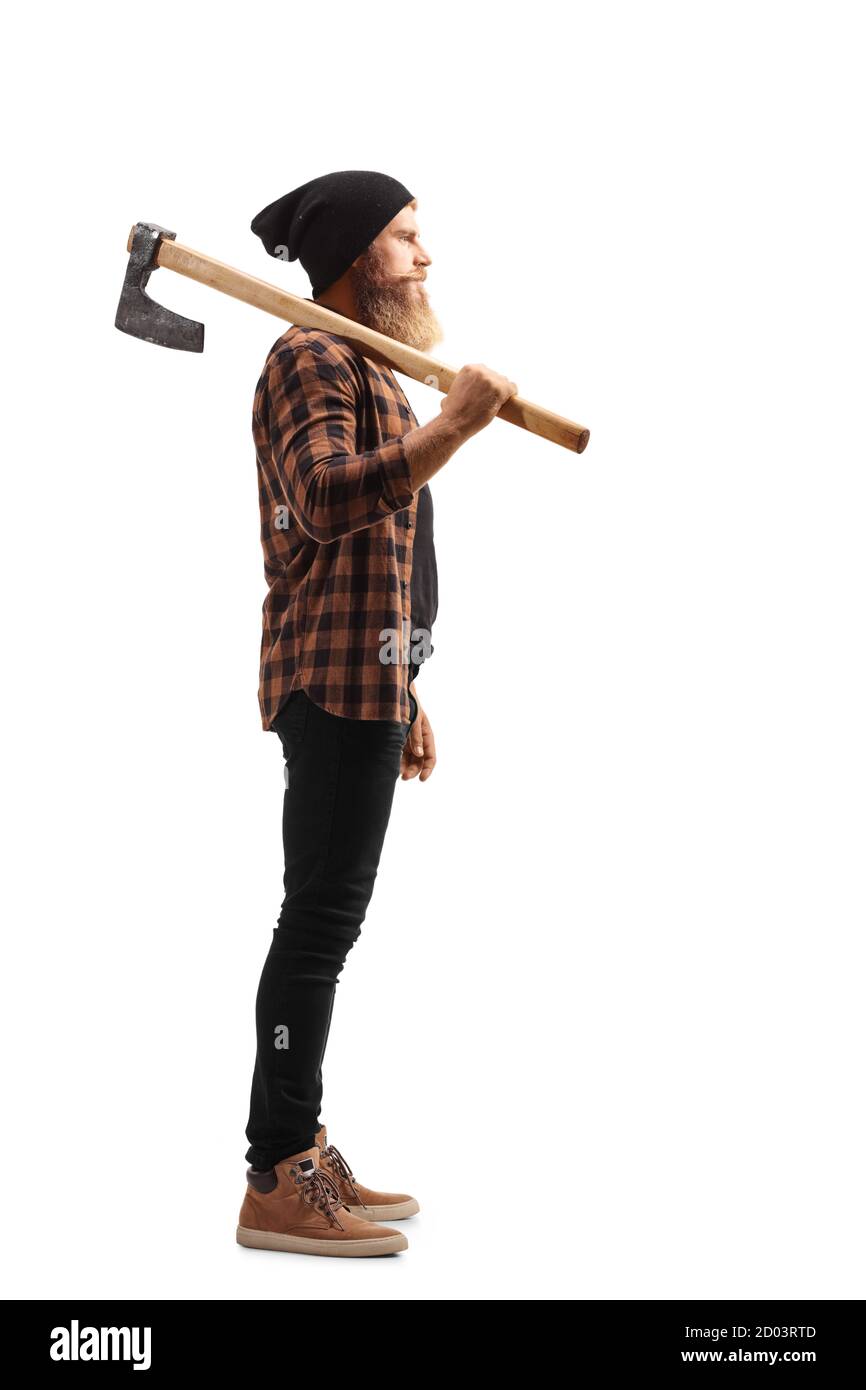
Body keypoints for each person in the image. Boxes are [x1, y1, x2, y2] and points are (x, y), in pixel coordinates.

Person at [237, 170, 518, 1258]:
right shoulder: (310, 356)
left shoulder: (367, 366)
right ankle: (274, 1171)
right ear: (358, 257)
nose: (424, 256)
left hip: (366, 680)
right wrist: (453, 428)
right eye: (406, 238)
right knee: (315, 925)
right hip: (323, 682)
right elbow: (325, 498)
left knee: (325, 924)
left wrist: (405, 687)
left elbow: (385, 558)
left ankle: (296, 1137)